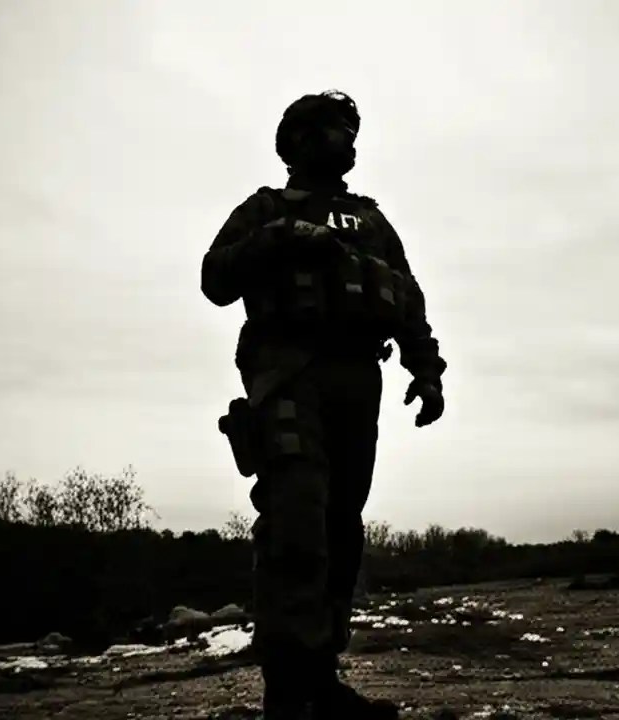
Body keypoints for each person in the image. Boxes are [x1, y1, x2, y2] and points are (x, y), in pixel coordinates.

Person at [201, 90, 447, 719]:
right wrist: (283, 238)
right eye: (331, 127)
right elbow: (215, 278)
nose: (344, 139)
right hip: (289, 373)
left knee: (341, 531)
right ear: (298, 141)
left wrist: (427, 369)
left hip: (359, 381)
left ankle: (322, 679)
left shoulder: (371, 220)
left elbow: (407, 298)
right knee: (296, 526)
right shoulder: (263, 210)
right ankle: (287, 692)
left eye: (349, 128)